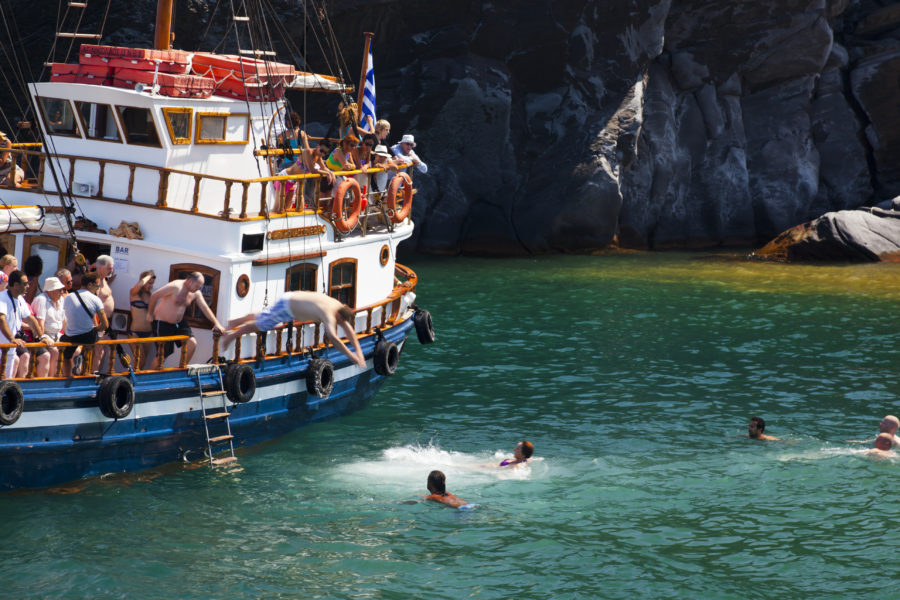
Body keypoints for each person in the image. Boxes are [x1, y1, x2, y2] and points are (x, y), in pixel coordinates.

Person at [220, 291, 365, 368]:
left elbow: (348, 329)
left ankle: (233, 323)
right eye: (339, 321)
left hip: (290, 301)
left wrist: (359, 352)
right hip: (288, 307)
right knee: (261, 325)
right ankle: (232, 336)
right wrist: (351, 356)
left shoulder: (337, 305)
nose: (339, 324)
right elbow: (333, 337)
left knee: (263, 317)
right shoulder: (329, 313)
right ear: (339, 315)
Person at [147, 272, 224, 366]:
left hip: (178, 323)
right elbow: (154, 296)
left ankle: (181, 368)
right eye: (197, 286)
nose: (198, 289)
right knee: (163, 354)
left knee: (192, 344)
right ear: (190, 281)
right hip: (162, 322)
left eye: (200, 287)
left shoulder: (196, 293)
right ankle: (147, 378)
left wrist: (216, 323)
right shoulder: (175, 286)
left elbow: (205, 308)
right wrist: (150, 314)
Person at [60, 272, 108, 378]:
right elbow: (105, 324)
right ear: (90, 285)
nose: (98, 288)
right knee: (94, 340)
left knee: (66, 357)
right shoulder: (96, 299)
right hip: (87, 336)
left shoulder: (68, 297)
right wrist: (97, 329)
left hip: (70, 335)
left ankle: (67, 378)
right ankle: (82, 360)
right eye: (97, 285)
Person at [0, 270, 46, 378]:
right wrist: (12, 338)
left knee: (6, 385)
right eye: (25, 284)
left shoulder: (20, 299)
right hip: (3, 347)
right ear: (16, 285)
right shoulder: (2, 298)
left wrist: (41, 336)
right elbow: (2, 320)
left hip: (9, 350)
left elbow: (30, 318)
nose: (28, 286)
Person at [30, 276, 66, 377]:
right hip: (44, 335)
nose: (62, 292)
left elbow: (64, 321)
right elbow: (40, 322)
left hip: (57, 335)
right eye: (59, 290)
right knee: (54, 351)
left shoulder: (61, 300)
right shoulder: (41, 299)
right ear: (51, 290)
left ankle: (67, 379)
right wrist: (43, 337)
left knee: (75, 350)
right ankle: (50, 379)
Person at [91, 255, 115, 372]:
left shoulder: (104, 280)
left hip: (106, 322)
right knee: (98, 351)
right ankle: (93, 376)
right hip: (98, 322)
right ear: (100, 268)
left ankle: (98, 375)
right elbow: (90, 305)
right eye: (109, 268)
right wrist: (97, 326)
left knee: (103, 351)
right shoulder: (94, 282)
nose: (111, 270)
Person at [128, 270, 156, 369]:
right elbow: (139, 285)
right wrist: (149, 276)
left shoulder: (151, 295)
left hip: (148, 334)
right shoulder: (133, 293)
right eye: (149, 283)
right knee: (140, 361)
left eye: (152, 283)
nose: (150, 286)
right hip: (135, 333)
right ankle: (130, 381)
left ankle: (135, 382)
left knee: (142, 364)